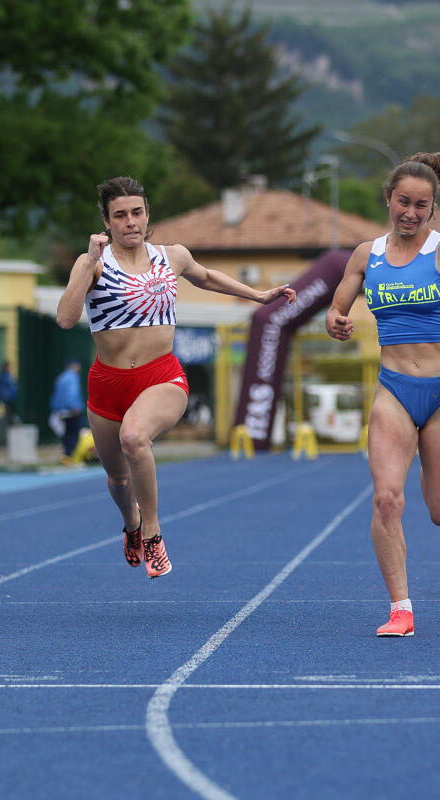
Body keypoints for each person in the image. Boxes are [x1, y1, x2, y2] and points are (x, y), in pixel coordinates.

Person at [56, 176, 296, 579]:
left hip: (161, 376)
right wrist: (88, 261)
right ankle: (131, 524)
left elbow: (205, 276)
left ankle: (152, 531)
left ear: (147, 214)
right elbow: (65, 318)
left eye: (137, 212)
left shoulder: (172, 256)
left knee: (135, 438)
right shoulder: (92, 264)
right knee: (116, 476)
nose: (130, 221)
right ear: (106, 220)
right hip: (108, 383)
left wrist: (257, 295)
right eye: (120, 215)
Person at [326, 152, 440, 637]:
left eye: (422, 205)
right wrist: (335, 322)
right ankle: (401, 608)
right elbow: (337, 309)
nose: (411, 213)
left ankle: (427, 458)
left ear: (433, 209)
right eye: (404, 202)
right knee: (386, 500)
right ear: (388, 199)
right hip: (393, 391)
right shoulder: (366, 255)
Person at [49, 359, 84, 461]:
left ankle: (66, 455)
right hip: (71, 411)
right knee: (73, 433)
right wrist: (74, 407)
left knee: (67, 433)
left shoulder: (61, 377)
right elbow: (71, 394)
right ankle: (69, 455)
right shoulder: (72, 378)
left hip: (62, 410)